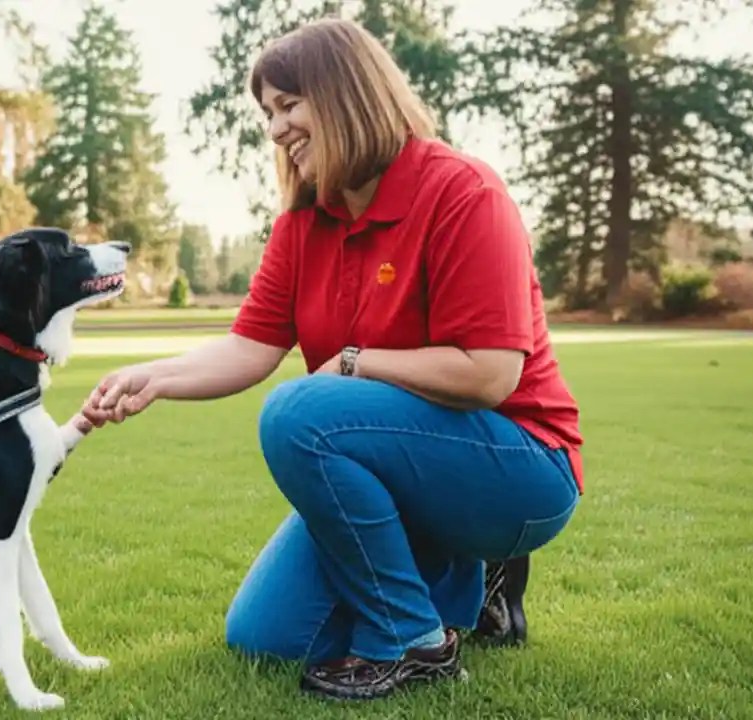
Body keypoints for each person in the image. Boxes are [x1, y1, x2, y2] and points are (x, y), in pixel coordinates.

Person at [79, 17, 583, 701]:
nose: (276, 128)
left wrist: (356, 360)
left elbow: (490, 374)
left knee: (299, 413)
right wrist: (153, 378)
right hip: (411, 470)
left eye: (290, 105)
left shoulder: (463, 191)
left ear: (347, 94)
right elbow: (250, 345)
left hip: (521, 470)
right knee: (267, 635)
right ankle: (465, 581)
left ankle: (414, 638)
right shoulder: (303, 223)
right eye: (267, 112)